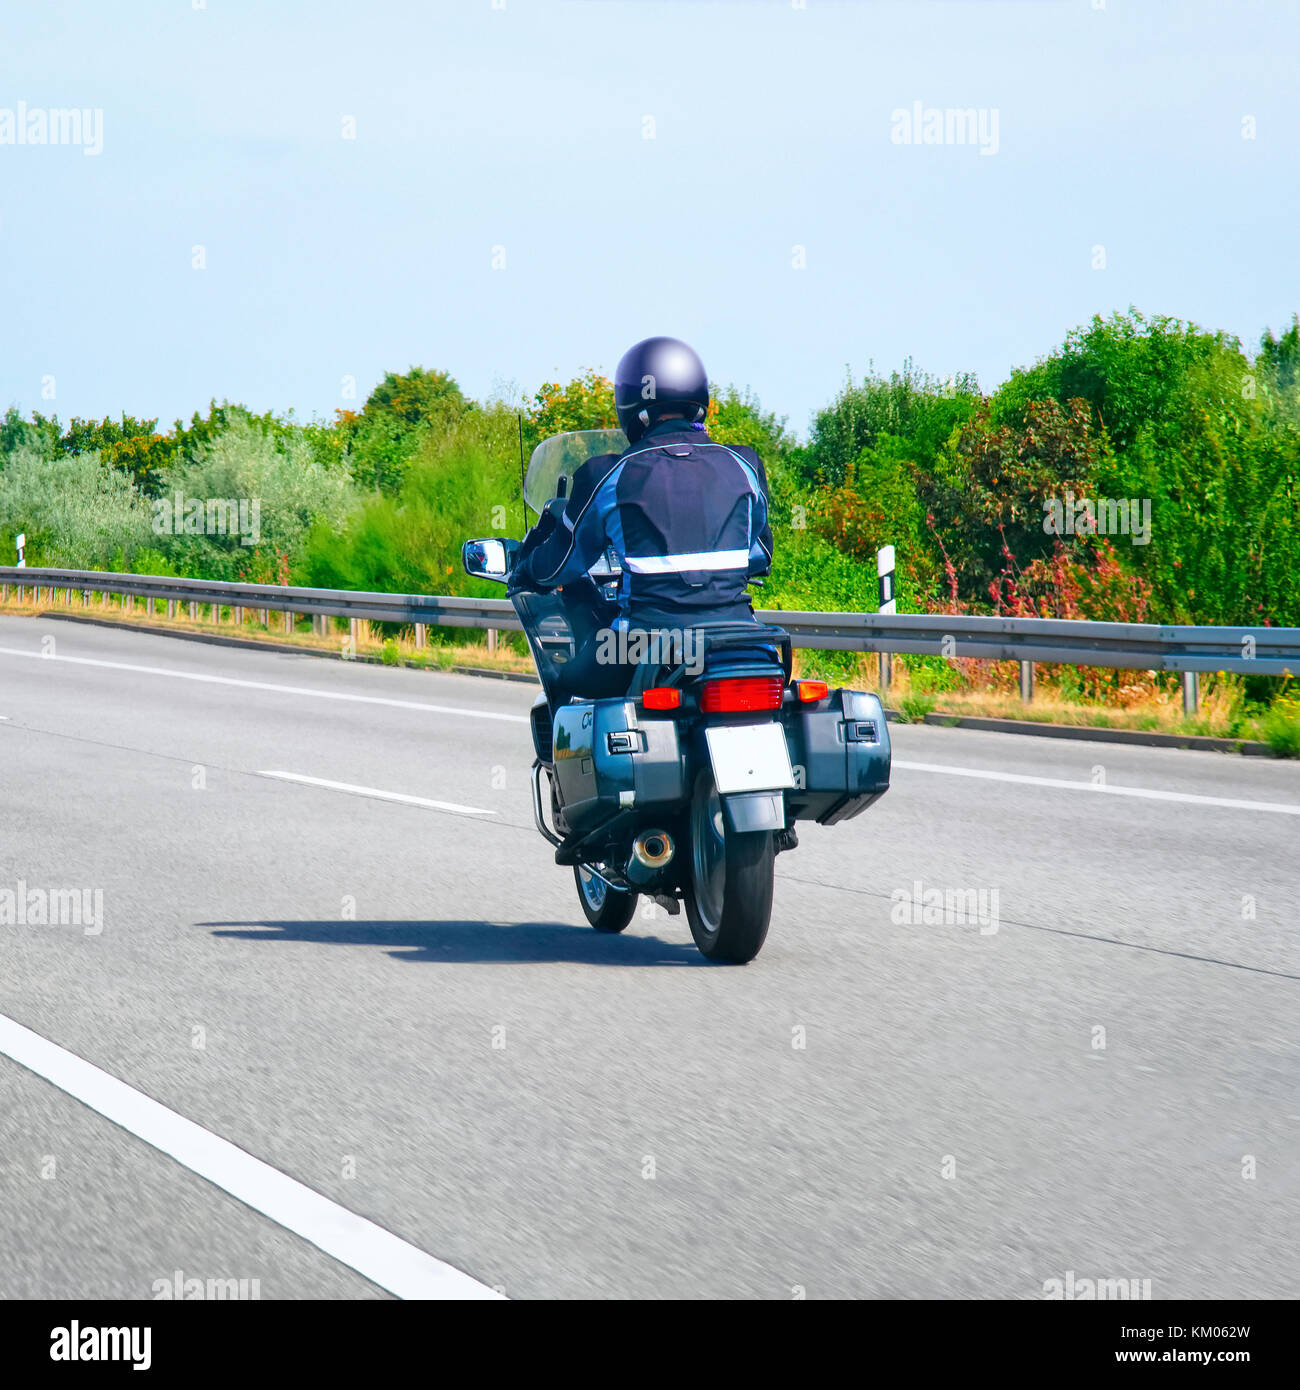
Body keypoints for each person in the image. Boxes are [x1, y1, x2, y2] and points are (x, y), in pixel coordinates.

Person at [508, 336, 774, 699]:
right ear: (699, 398)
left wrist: (528, 566)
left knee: (567, 684)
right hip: (743, 641)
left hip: (639, 647)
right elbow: (760, 554)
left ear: (630, 405)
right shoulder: (744, 464)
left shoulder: (609, 474)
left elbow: (562, 565)